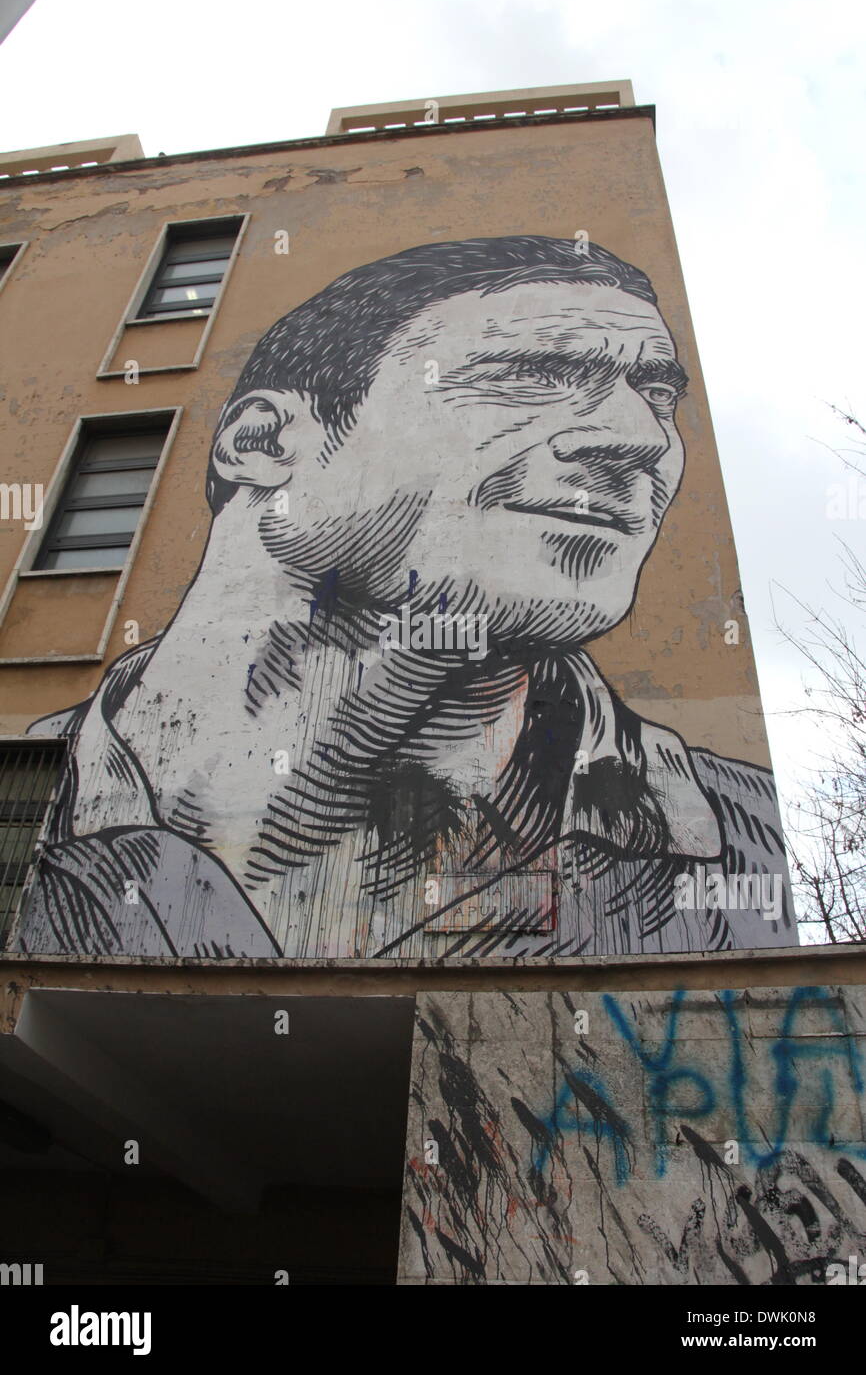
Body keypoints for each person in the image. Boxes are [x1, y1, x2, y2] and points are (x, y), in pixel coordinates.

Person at [14, 236, 796, 959]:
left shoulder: (743, 838)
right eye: (533, 375)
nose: (644, 440)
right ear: (264, 443)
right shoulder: (26, 795)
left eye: (657, 395)